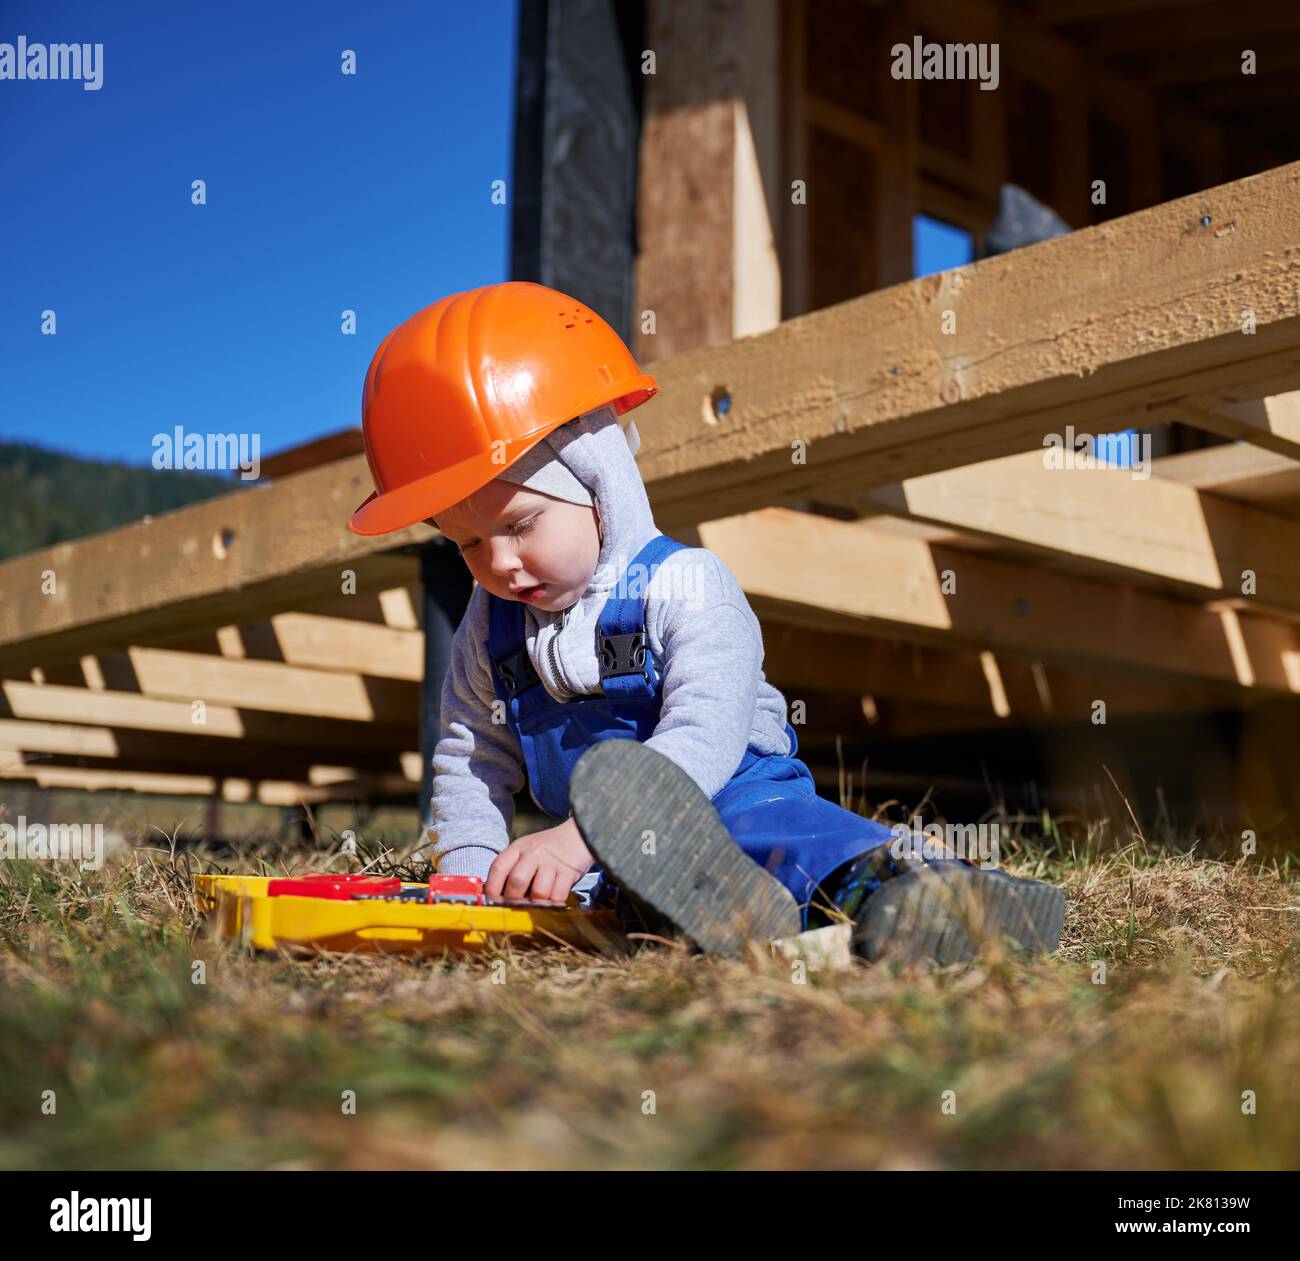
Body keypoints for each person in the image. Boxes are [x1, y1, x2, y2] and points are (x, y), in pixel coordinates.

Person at [349, 280, 1065, 963]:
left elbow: (709, 727)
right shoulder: (490, 629)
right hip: (625, 858)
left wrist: (582, 838)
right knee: (633, 899)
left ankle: (949, 897)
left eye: (521, 523)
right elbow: (472, 753)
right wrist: (467, 879)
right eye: (468, 542)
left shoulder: (685, 585)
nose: (500, 562)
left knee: (791, 842)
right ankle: (746, 918)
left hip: (731, 796)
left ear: (599, 487)